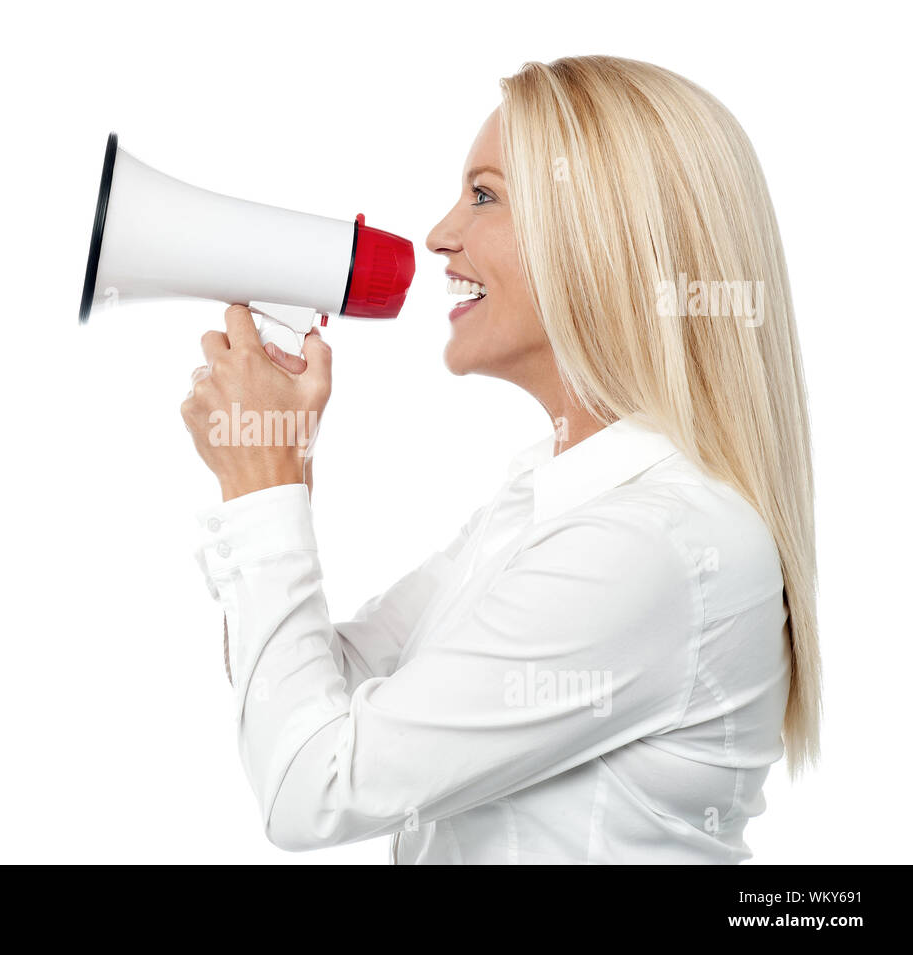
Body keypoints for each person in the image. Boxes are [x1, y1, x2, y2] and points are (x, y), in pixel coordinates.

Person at [179, 55, 819, 864]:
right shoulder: (546, 502)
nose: (440, 234)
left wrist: (262, 492)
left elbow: (311, 786)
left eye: (484, 196)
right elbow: (315, 692)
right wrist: (279, 470)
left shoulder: (650, 546)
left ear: (603, 240)